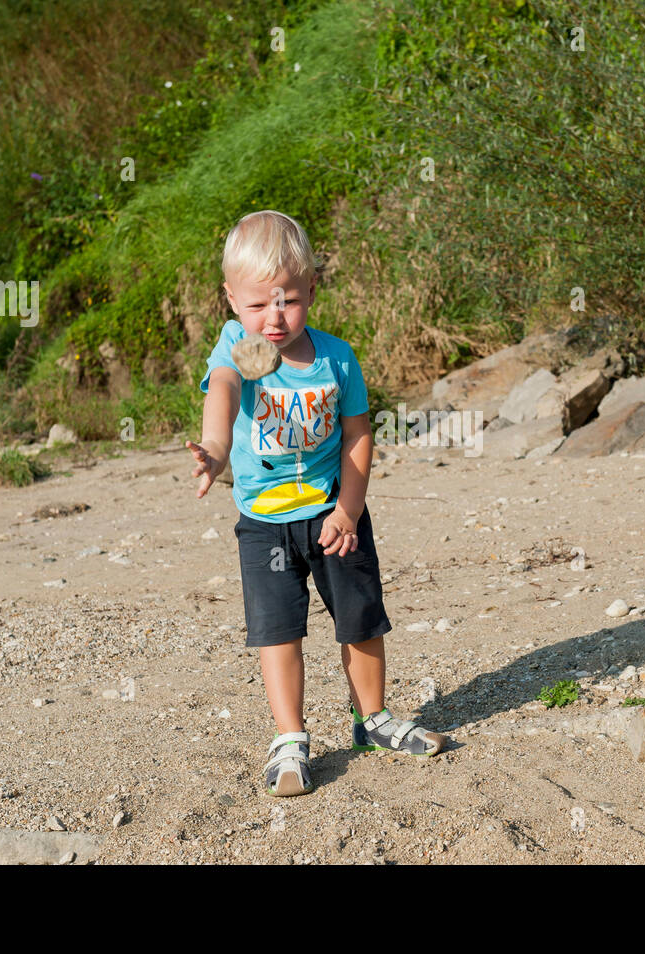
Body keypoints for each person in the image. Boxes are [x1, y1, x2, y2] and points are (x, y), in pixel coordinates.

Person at [185, 209, 448, 797]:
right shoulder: (236, 347)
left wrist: (349, 509)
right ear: (231, 300)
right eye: (257, 305)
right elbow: (224, 390)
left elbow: (357, 433)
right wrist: (215, 449)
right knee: (278, 630)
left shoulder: (336, 358)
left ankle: (372, 719)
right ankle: (290, 737)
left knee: (360, 618)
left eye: (288, 301)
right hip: (265, 526)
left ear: (310, 290)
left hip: (334, 515)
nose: (273, 319)